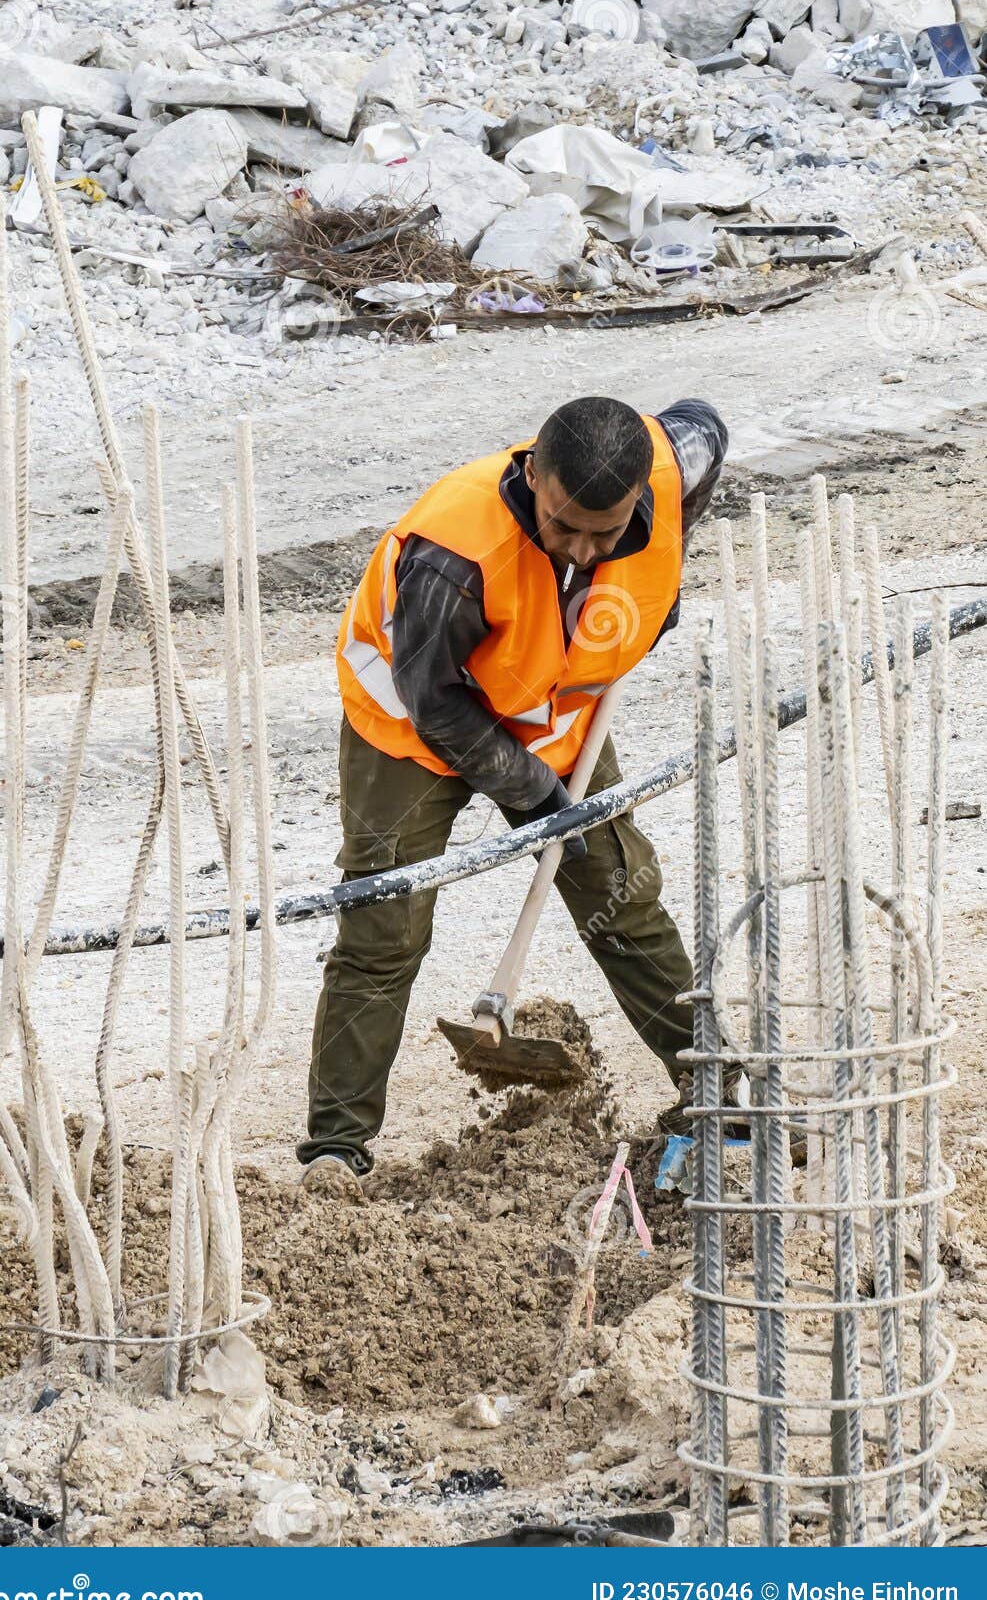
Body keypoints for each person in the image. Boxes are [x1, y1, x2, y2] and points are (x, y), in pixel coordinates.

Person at [297, 395, 729, 1195]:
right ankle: (336, 1148)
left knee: (621, 899)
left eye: (606, 533)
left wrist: (658, 593)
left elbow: (703, 425)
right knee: (382, 925)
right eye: (564, 525)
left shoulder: (671, 475)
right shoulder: (453, 553)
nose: (582, 547)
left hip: (554, 714)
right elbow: (435, 704)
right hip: (411, 730)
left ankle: (725, 1104)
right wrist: (539, 800)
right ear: (532, 474)